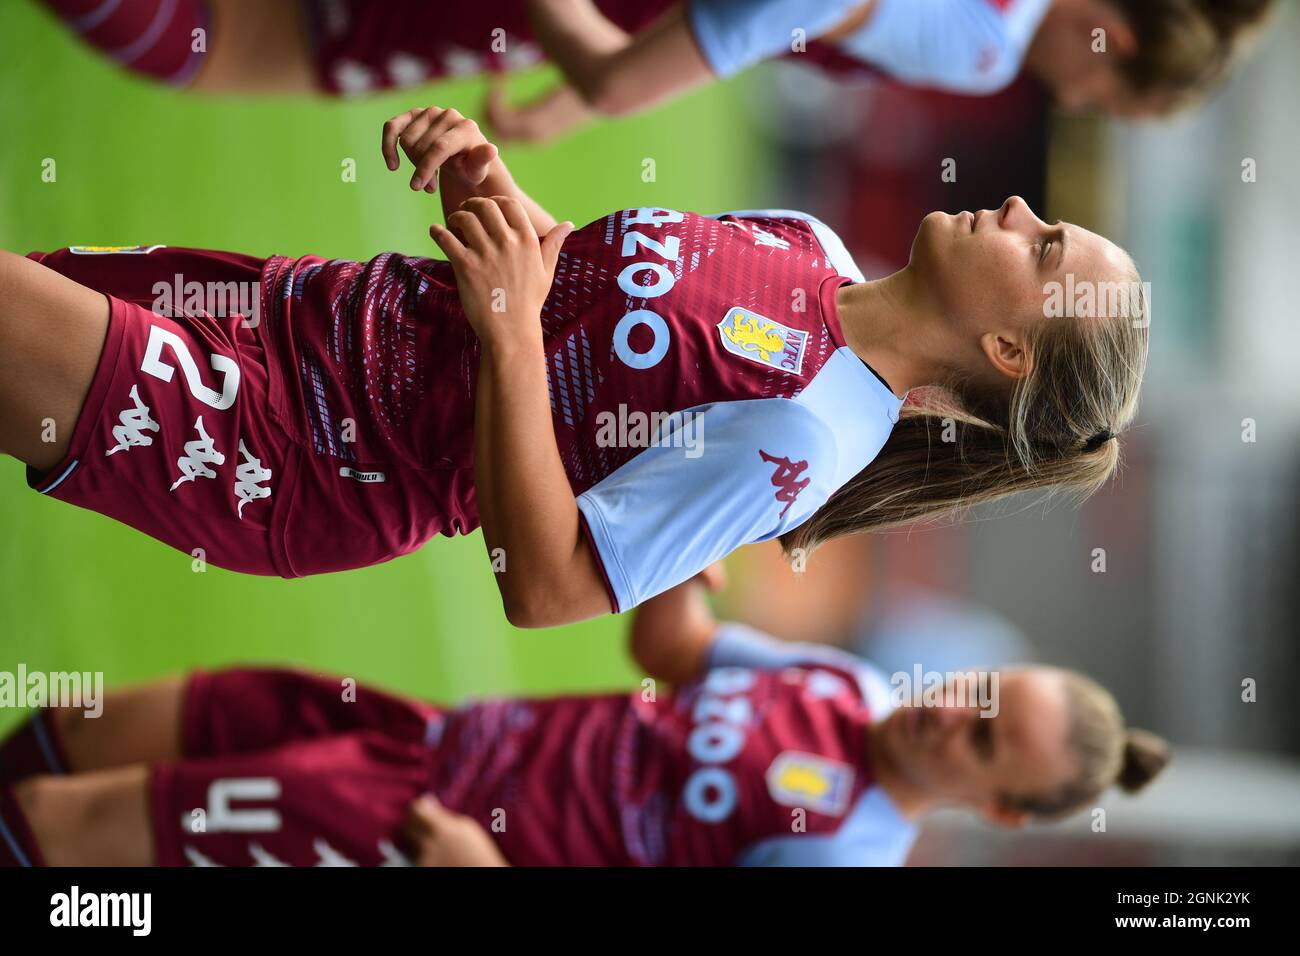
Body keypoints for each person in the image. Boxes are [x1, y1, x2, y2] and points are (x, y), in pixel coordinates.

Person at [0, 106, 1148, 626]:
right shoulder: (810, 243)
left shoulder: (811, 431)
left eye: (1039, 246)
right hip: (296, 303)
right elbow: (568, 287)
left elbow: (545, 586)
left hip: (310, 450)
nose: (1012, 205)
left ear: (1007, 350)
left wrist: (502, 328)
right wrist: (483, 181)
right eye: (1040, 216)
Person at [0, 566, 1171, 867]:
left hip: (420, 834)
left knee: (77, 821)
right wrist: (689, 528)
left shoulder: (844, 848)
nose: (946, 712)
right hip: (434, 738)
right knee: (99, 724)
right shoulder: (846, 686)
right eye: (974, 692)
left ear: (1002, 809)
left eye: (980, 739)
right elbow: (672, 653)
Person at [32, 1, 1277, 132]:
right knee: (200, 44)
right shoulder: (984, 38)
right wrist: (611, 77)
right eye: (1111, 96)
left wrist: (586, 97)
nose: (1077, 103)